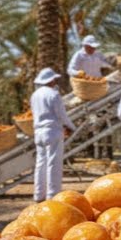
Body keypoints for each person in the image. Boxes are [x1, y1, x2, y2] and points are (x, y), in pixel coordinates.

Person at [30, 68, 75, 202]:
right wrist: (71, 127)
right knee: (53, 163)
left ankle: (38, 195)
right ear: (50, 80)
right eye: (54, 79)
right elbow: (61, 115)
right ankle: (52, 195)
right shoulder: (53, 94)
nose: (55, 81)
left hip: (38, 132)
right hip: (52, 130)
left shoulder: (35, 95)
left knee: (40, 163)